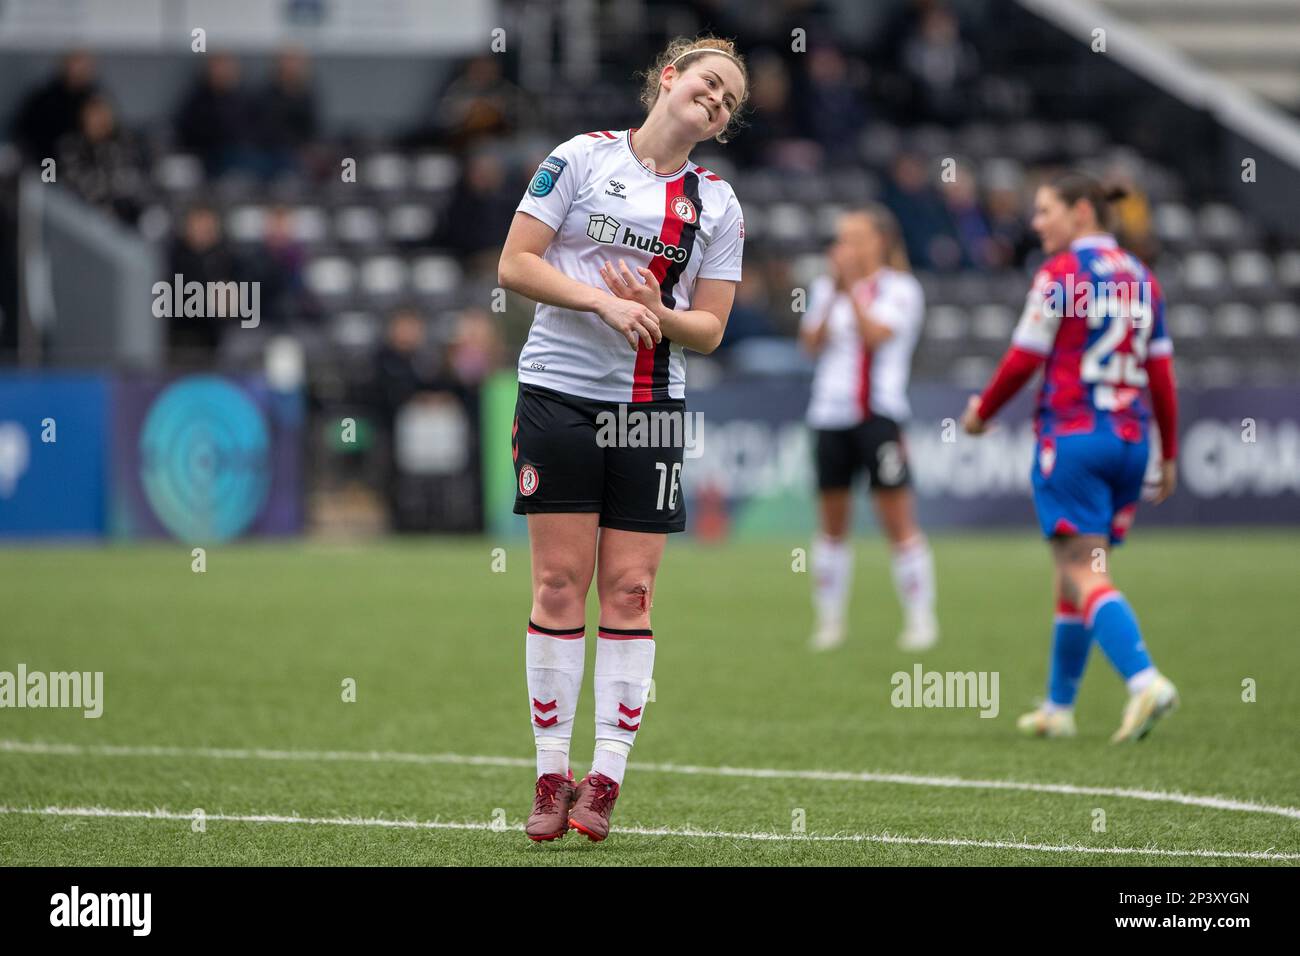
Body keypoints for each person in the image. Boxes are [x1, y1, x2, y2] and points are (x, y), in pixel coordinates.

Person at [497, 36, 747, 843]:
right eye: (709, 83)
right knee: (558, 585)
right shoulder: (579, 158)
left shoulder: (718, 204)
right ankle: (550, 772)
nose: (716, 101)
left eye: (729, 102)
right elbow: (515, 265)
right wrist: (602, 303)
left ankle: (604, 779)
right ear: (669, 78)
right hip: (558, 395)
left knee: (632, 592)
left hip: (648, 408)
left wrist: (658, 313)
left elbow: (709, 329)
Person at [961, 171, 1180, 743]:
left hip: (1076, 438)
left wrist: (982, 412)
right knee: (1076, 571)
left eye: (1045, 211)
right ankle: (1058, 708)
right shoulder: (1142, 277)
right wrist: (1169, 453)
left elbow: (1024, 357)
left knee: (1083, 570)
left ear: (1081, 211)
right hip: (1130, 443)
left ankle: (1145, 680)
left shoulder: (1061, 274)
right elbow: (1161, 375)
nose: (1036, 224)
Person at [799, 206, 937, 653]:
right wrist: (834, 295)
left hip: (879, 416)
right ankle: (830, 622)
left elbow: (877, 335)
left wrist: (852, 292)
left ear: (879, 241)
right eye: (841, 239)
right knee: (831, 523)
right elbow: (810, 345)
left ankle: (920, 619)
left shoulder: (901, 289)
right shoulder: (826, 288)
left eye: (854, 238)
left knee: (897, 518)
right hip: (829, 416)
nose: (844, 248)